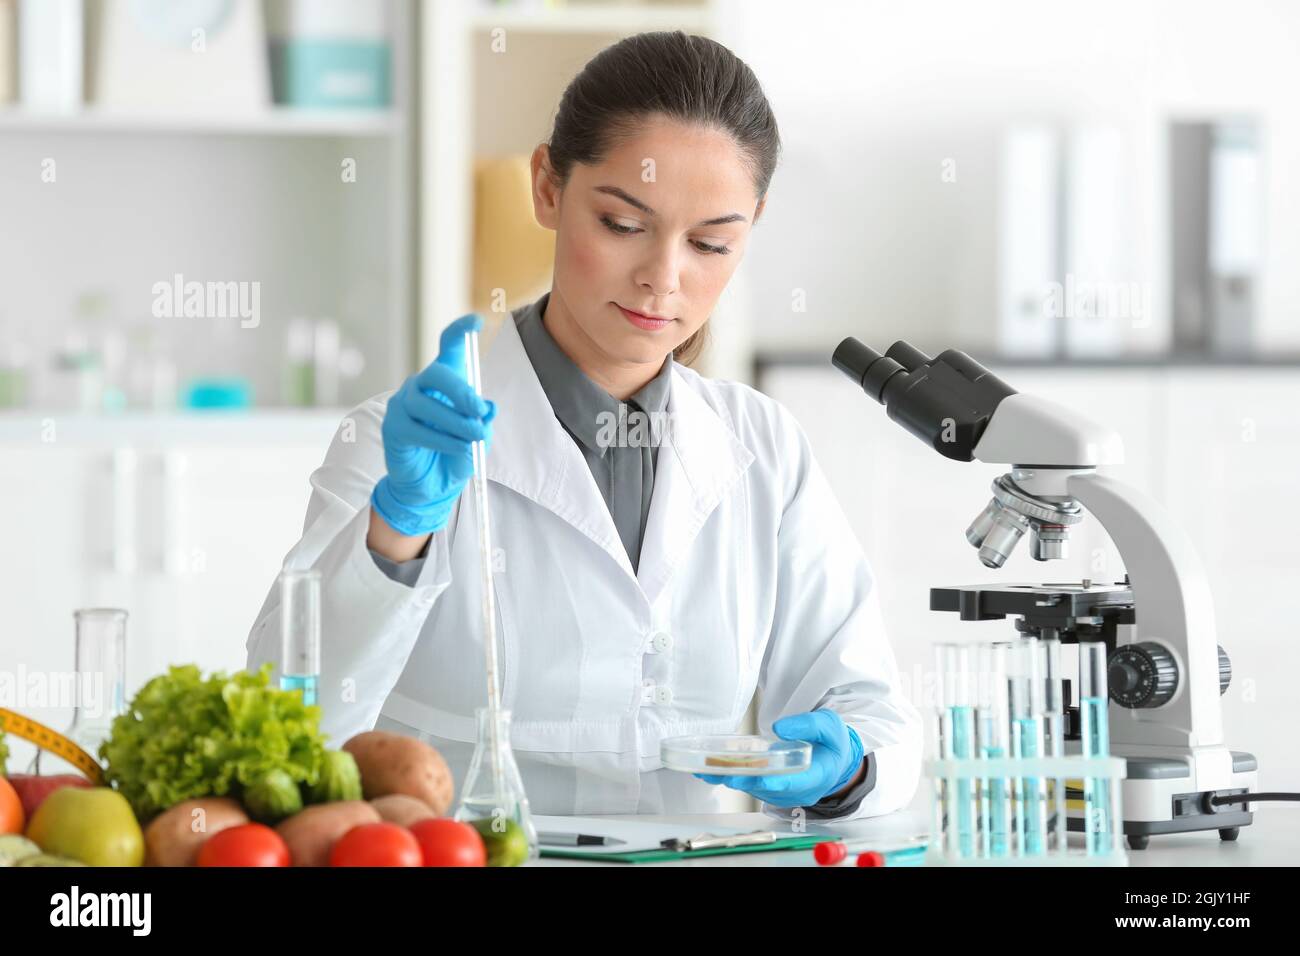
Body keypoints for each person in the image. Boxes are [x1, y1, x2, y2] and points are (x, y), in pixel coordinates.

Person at [248, 30, 921, 823]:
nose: (663, 278)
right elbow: (285, 719)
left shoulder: (764, 450)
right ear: (547, 186)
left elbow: (870, 707)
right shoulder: (399, 445)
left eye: (711, 242)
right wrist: (394, 537)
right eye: (623, 223)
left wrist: (849, 768)